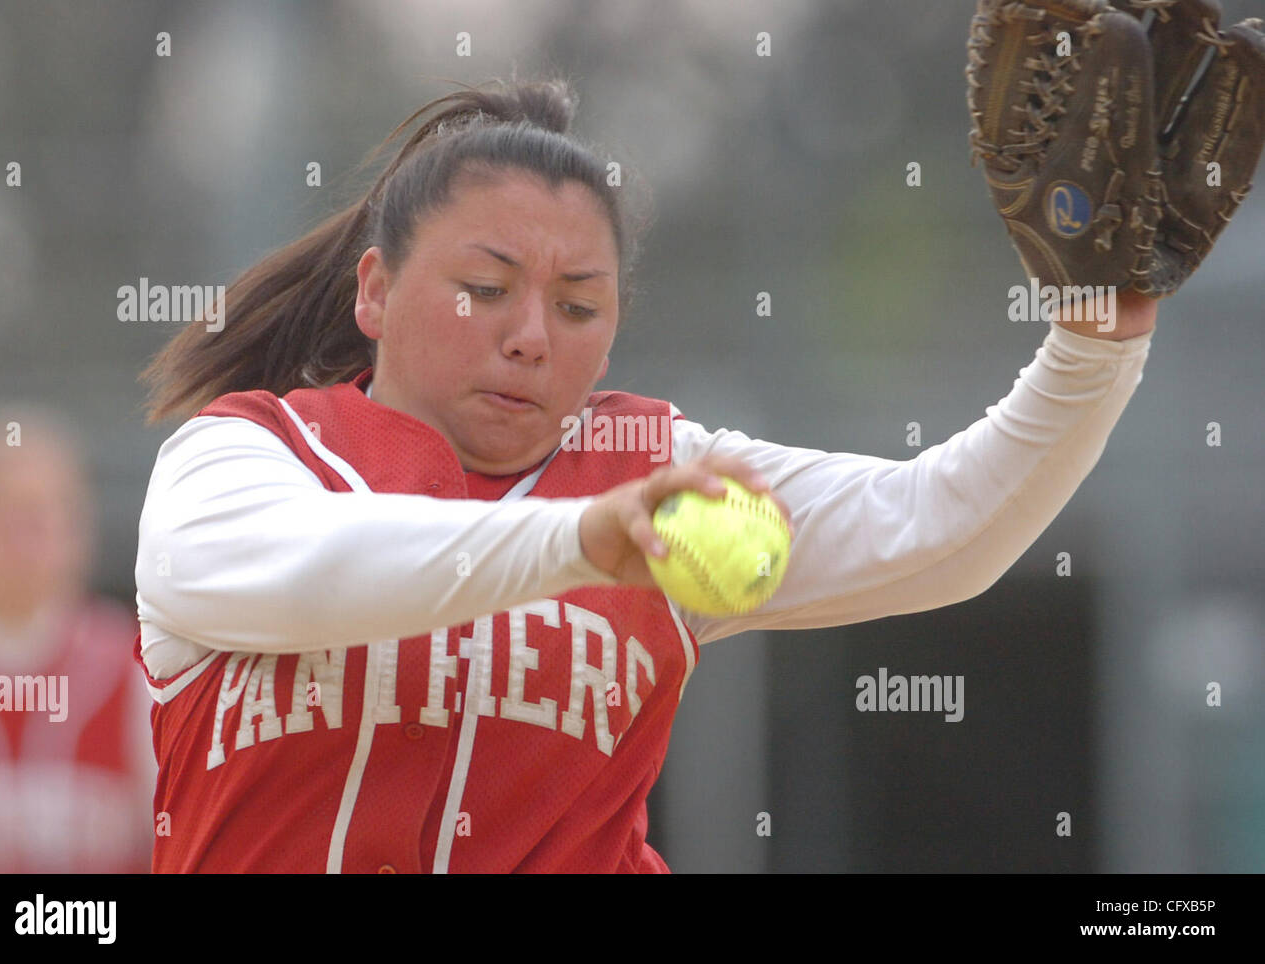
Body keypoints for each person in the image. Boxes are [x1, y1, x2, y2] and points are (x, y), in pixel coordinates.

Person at [133, 77, 1157, 874]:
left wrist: (1093, 343)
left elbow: (943, 525)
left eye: (579, 305)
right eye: (484, 288)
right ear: (375, 290)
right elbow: (308, 573)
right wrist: (576, 542)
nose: (530, 335)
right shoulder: (243, 456)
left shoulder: (654, 475)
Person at [0, 405, 154, 873]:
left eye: (41, 519)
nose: (23, 543)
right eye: (4, 517)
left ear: (79, 532)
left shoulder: (135, 667)